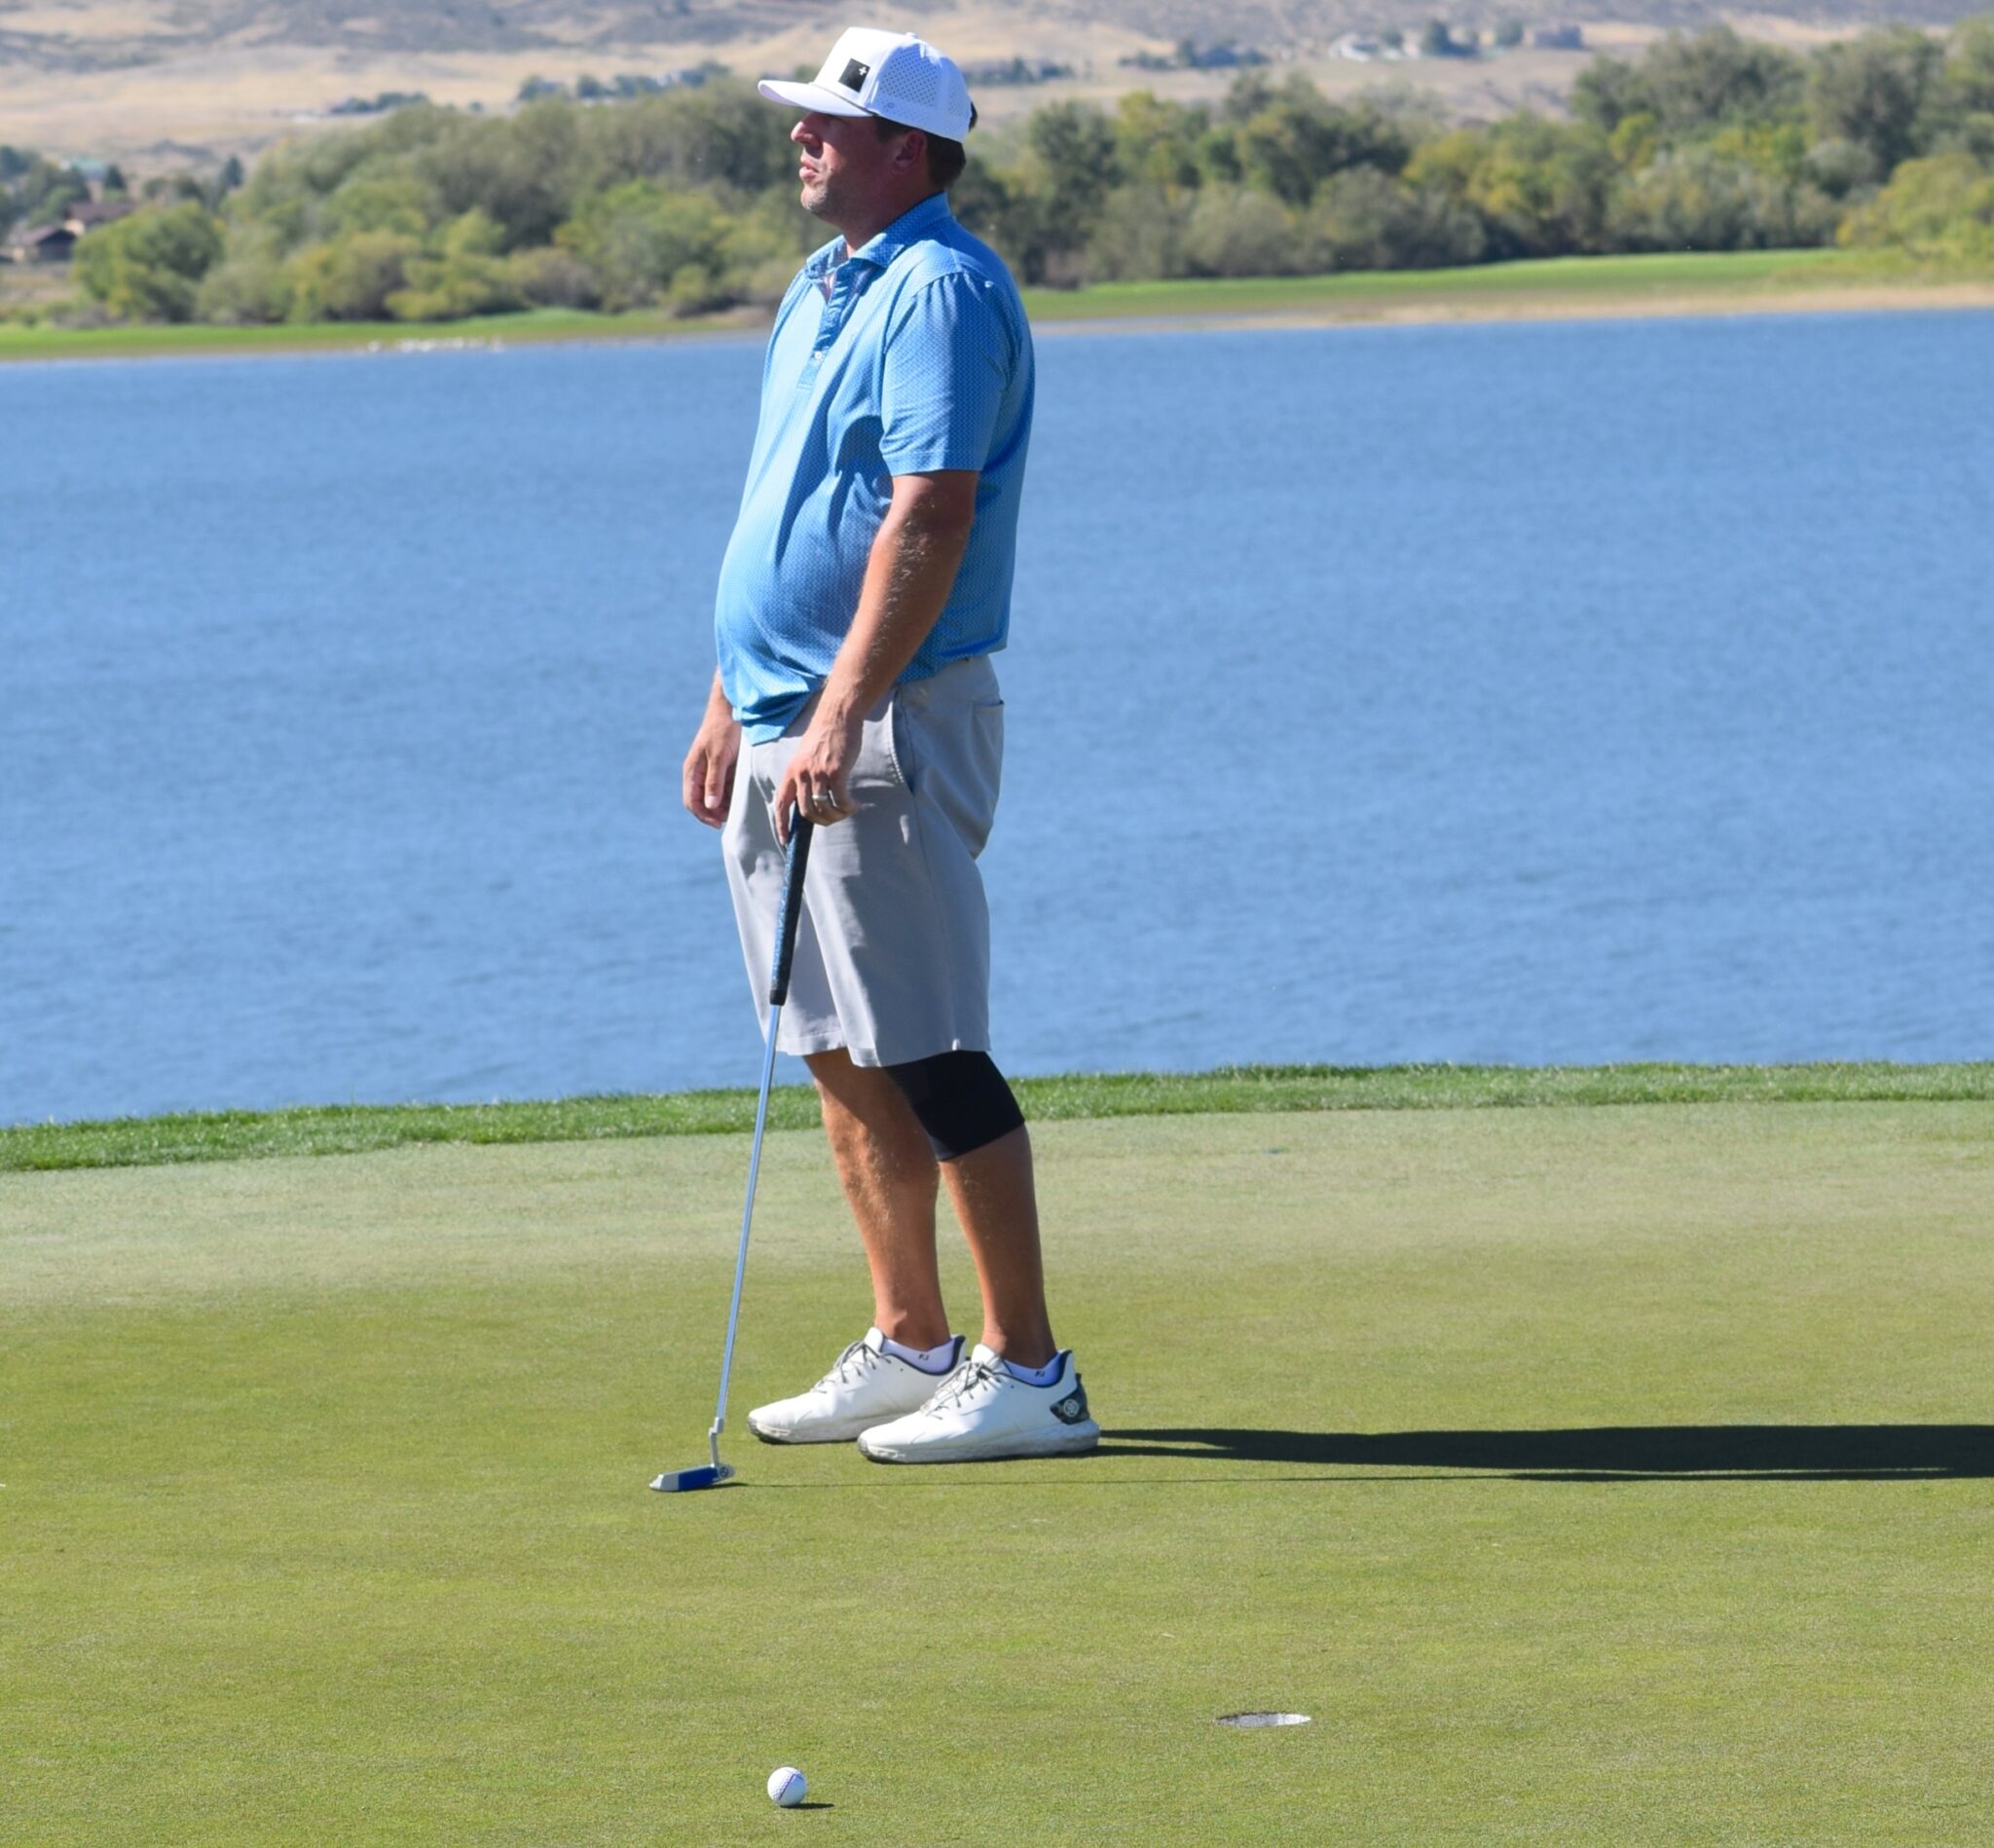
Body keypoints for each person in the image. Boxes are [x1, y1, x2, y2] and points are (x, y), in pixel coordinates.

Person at [680, 26, 1098, 1463]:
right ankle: (913, 1336)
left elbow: (932, 512)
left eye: (827, 125)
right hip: (791, 712)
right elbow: (789, 502)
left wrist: (848, 700)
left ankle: (1029, 1366)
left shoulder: (941, 289)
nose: (800, 139)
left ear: (906, 148)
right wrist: (735, 693)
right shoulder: (826, 283)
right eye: (800, 120)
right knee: (834, 1045)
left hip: (888, 719)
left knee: (929, 1045)